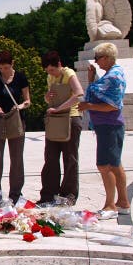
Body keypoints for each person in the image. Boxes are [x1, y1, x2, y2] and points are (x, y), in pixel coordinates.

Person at [78, 42, 130, 220]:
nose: (97, 62)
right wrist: (92, 79)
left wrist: (88, 105)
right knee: (114, 164)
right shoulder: (111, 74)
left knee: (105, 165)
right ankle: (122, 202)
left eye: (98, 58)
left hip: (109, 124)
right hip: (108, 125)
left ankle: (111, 205)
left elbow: (111, 105)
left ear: (107, 58)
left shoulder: (113, 77)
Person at [39, 51, 84, 205]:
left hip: (71, 118)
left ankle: (69, 195)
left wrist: (59, 108)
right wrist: (48, 97)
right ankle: (49, 194)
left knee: (70, 158)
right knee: (50, 157)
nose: (50, 73)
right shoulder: (50, 77)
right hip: (55, 120)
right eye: (48, 71)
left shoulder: (68, 73)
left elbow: (78, 94)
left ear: (59, 64)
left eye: (52, 69)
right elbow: (48, 98)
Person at [0, 50, 31, 204]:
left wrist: (19, 106)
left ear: (12, 64)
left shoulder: (20, 77)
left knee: (17, 157)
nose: (3, 71)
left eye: (6, 67)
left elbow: (27, 100)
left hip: (15, 120)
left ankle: (16, 193)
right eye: (0, 68)